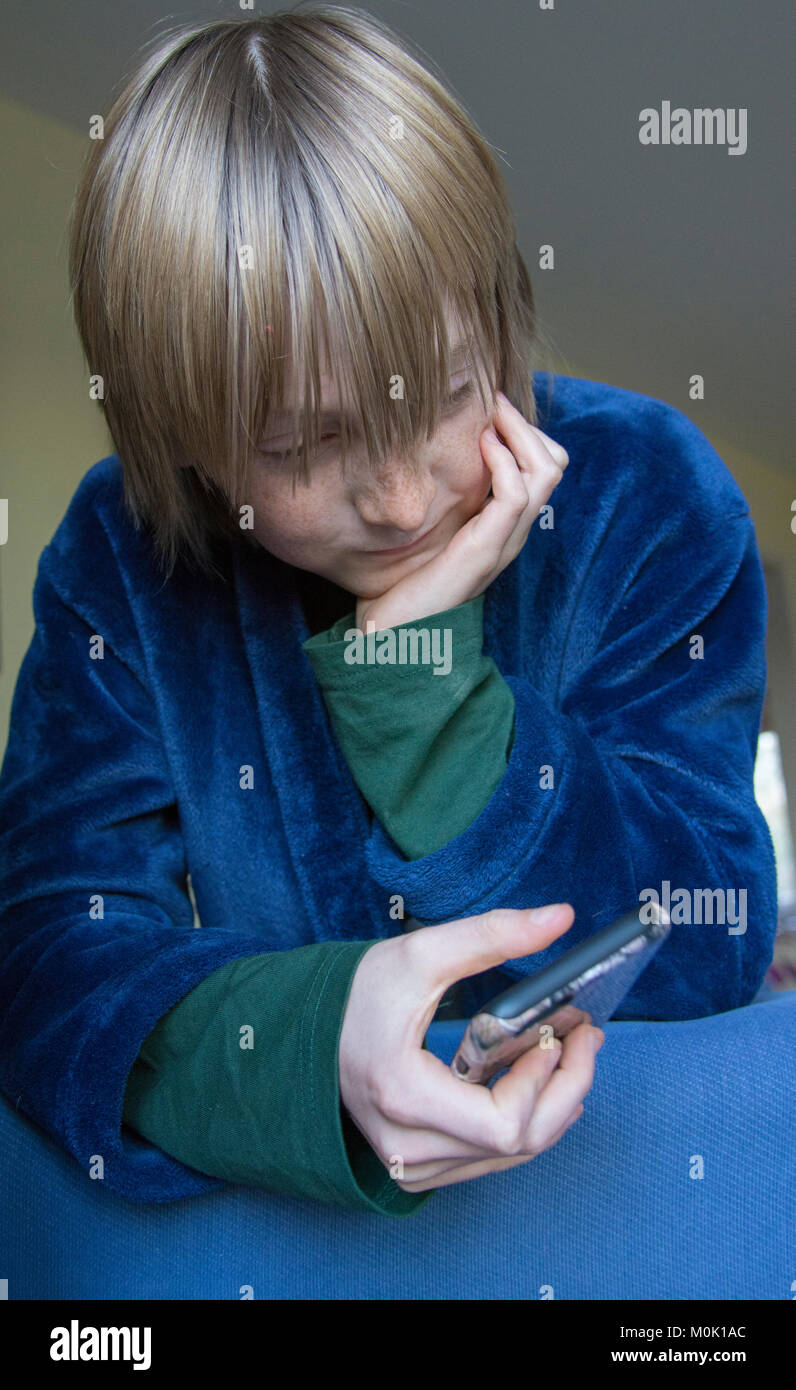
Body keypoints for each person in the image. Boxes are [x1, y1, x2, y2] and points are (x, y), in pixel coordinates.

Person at [0, 6, 777, 1219]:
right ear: (189, 451)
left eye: (449, 390)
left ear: (502, 309)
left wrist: (425, 691)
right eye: (297, 446)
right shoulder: (119, 553)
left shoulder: (650, 490)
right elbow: (47, 964)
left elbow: (708, 941)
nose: (402, 495)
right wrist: (301, 1047)